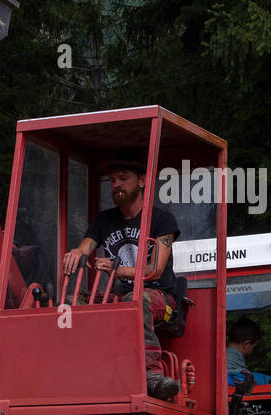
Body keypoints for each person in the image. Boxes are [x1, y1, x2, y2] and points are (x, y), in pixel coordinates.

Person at [62, 151, 183, 400]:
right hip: (120, 294)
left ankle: (151, 374)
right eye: (112, 180)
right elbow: (86, 246)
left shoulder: (162, 220)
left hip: (162, 297)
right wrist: (76, 253)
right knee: (74, 304)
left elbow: (155, 269)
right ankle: (79, 369)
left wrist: (118, 270)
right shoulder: (104, 220)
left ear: (141, 181)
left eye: (123, 178)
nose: (116, 184)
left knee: (136, 302)